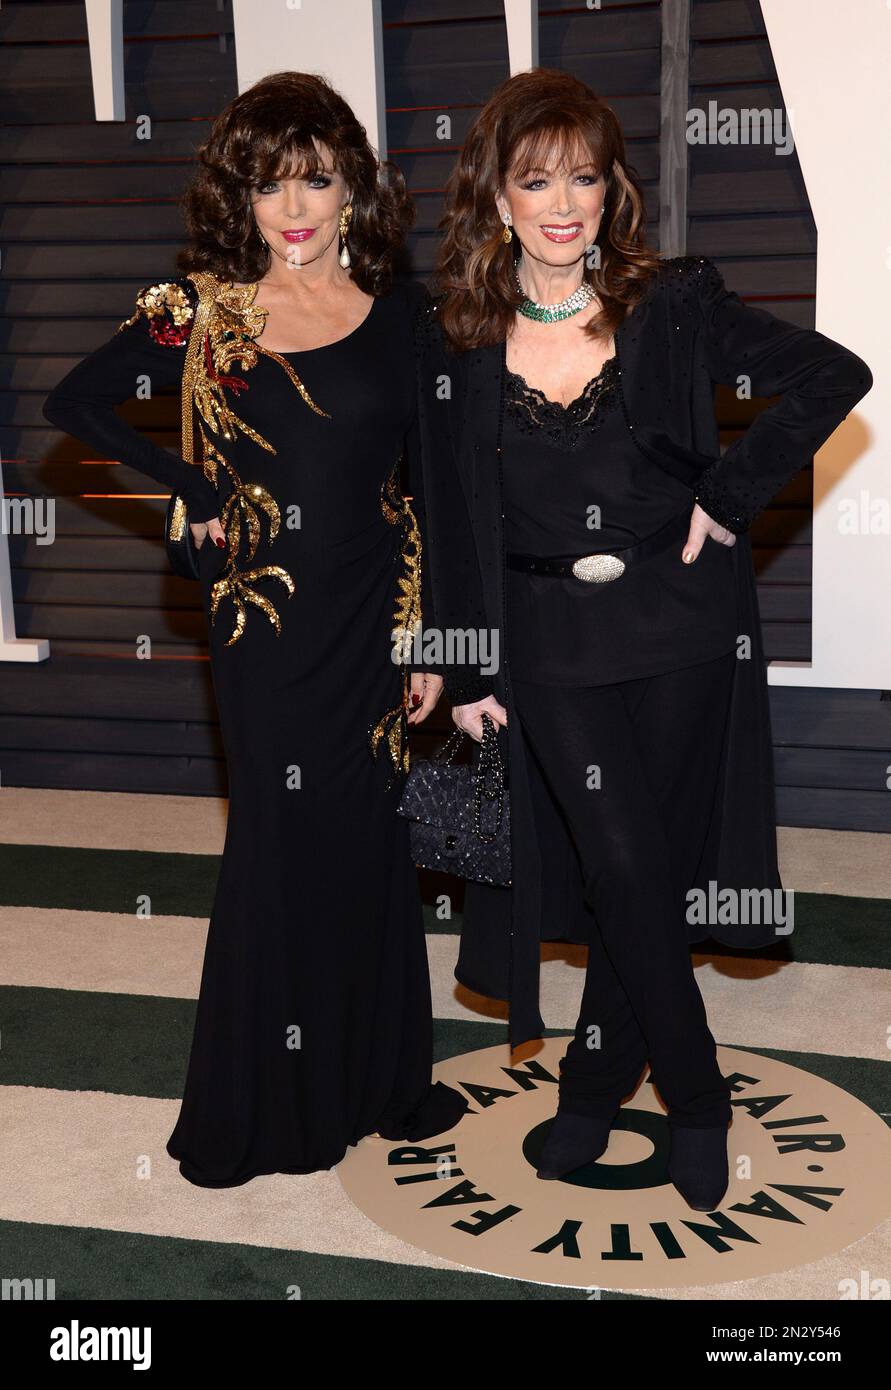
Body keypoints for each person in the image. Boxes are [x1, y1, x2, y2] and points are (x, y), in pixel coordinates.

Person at [413, 68, 872, 1210]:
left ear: (611, 188)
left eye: (582, 175)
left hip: (682, 628)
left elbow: (834, 375)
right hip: (549, 643)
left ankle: (593, 1079)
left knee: (647, 875)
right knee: (619, 861)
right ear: (498, 197)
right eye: (536, 180)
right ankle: (699, 1094)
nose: (562, 202)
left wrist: (731, 490)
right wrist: (467, 662)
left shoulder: (670, 304)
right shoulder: (458, 340)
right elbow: (446, 515)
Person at [42, 71, 467, 1187]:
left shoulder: (401, 316)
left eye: (316, 180)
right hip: (266, 626)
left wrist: (428, 637)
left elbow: (428, 486)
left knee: (374, 842)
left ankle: (387, 1081)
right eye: (270, 182)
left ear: (351, 191)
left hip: (376, 620)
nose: (294, 206)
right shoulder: (200, 312)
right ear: (241, 193)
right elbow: (74, 405)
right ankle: (258, 1111)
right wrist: (189, 480)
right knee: (280, 847)